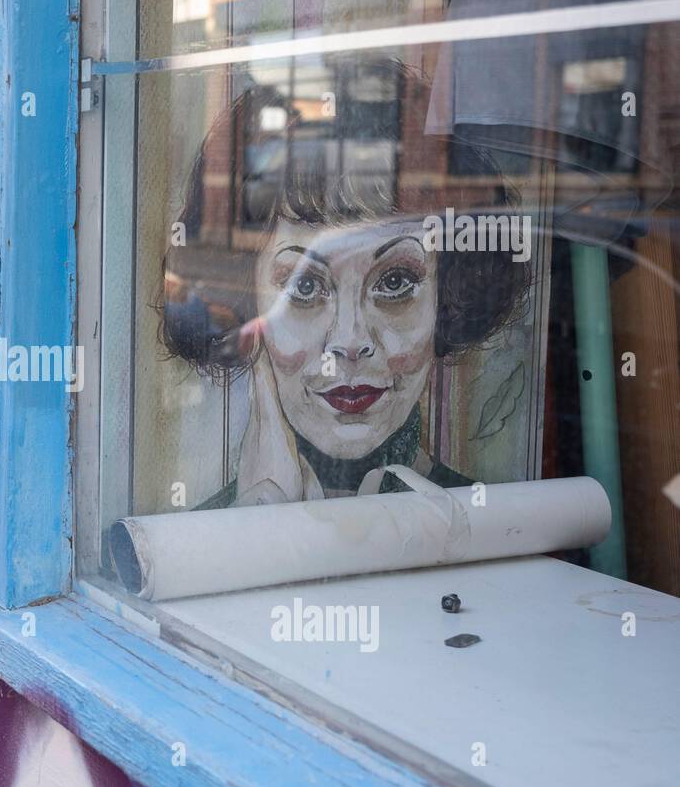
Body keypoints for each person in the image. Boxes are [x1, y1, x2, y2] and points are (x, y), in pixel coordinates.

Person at [159, 59, 529, 507]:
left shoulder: (499, 530)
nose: (350, 342)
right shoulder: (182, 556)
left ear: (446, 296)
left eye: (395, 281)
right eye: (305, 287)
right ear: (245, 305)